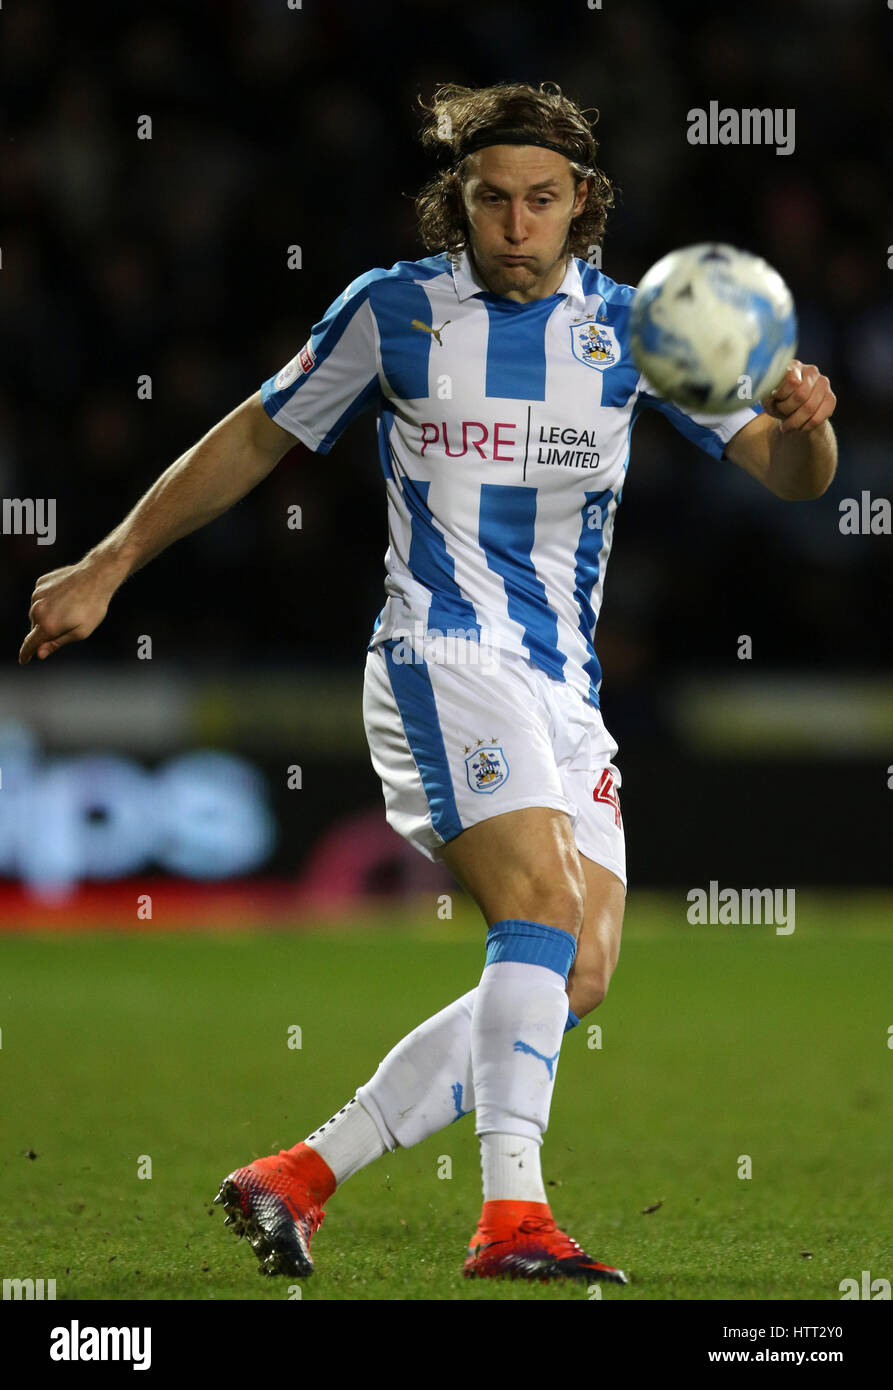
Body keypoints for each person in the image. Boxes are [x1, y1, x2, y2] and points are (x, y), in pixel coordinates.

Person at [19, 81, 837, 1285]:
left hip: (563, 686)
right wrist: (110, 560)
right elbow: (253, 435)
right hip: (440, 653)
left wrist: (806, 418)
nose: (515, 224)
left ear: (581, 208)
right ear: (457, 204)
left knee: (581, 971)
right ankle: (513, 1217)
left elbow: (793, 476)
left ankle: (297, 1174)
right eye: (491, 199)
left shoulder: (636, 332)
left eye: (540, 201)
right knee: (540, 917)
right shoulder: (394, 313)